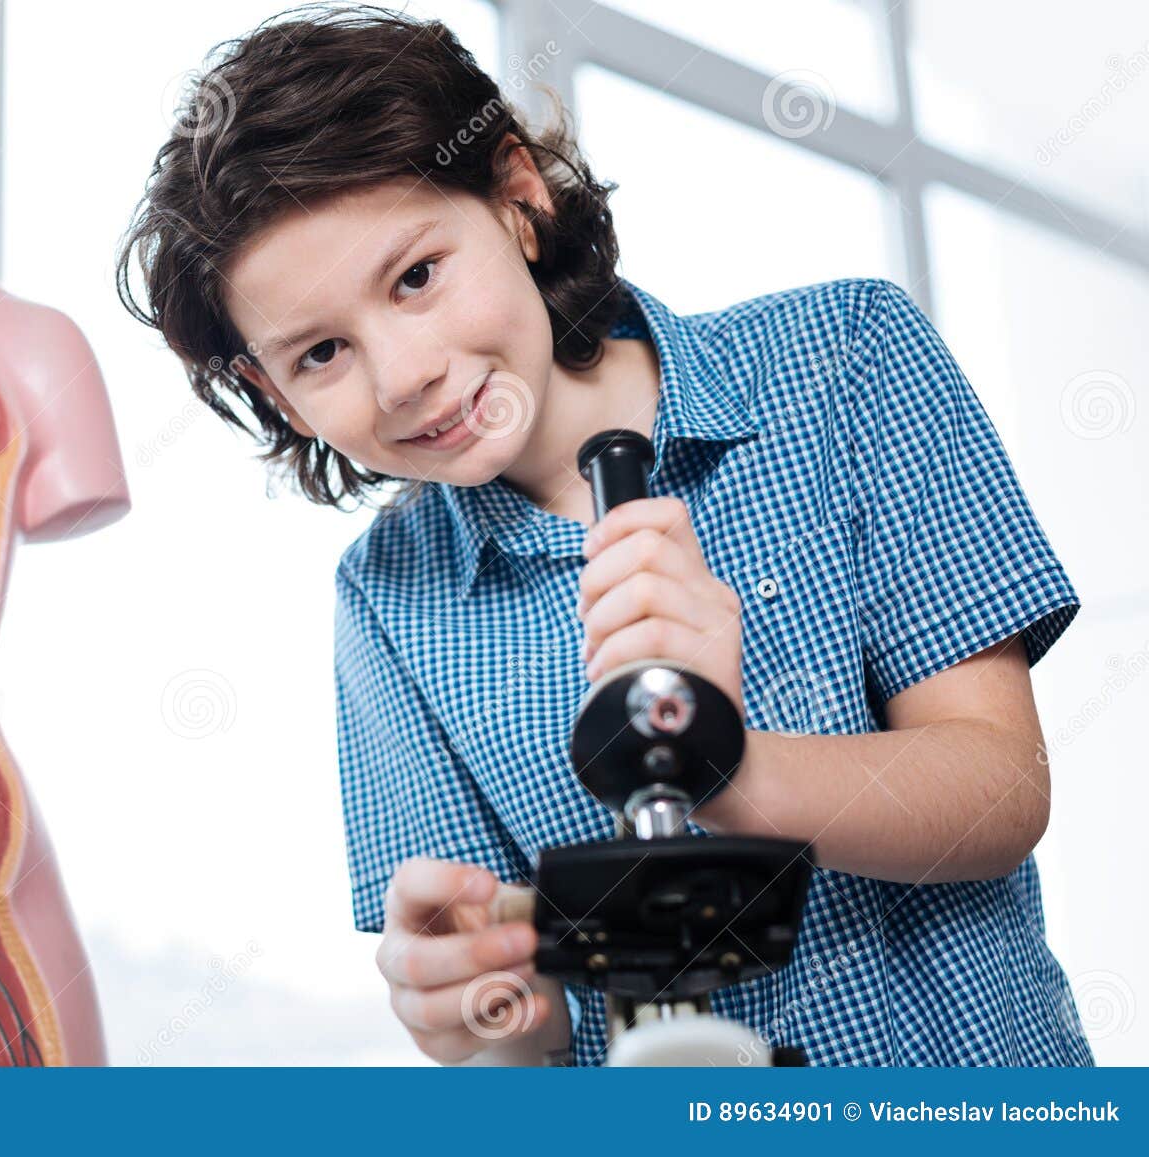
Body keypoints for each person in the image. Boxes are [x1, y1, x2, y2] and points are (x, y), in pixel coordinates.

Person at [118, 4, 1093, 1067]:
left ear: (517, 200)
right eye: (319, 354)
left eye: (415, 277)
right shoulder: (385, 596)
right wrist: (491, 1016)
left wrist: (721, 762)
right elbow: (520, 1041)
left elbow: (999, 788)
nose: (404, 375)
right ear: (273, 391)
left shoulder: (844, 357)